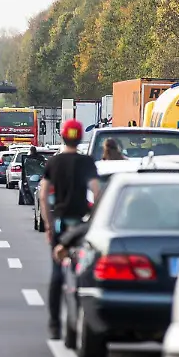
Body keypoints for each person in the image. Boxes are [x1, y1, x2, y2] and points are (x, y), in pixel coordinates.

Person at [39, 119, 101, 340]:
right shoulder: (87, 163)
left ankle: (55, 324)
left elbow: (43, 194)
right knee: (85, 271)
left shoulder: (53, 163)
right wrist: (94, 218)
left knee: (57, 274)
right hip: (82, 225)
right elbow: (96, 191)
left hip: (60, 225)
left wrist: (48, 223)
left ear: (63, 136)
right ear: (80, 138)